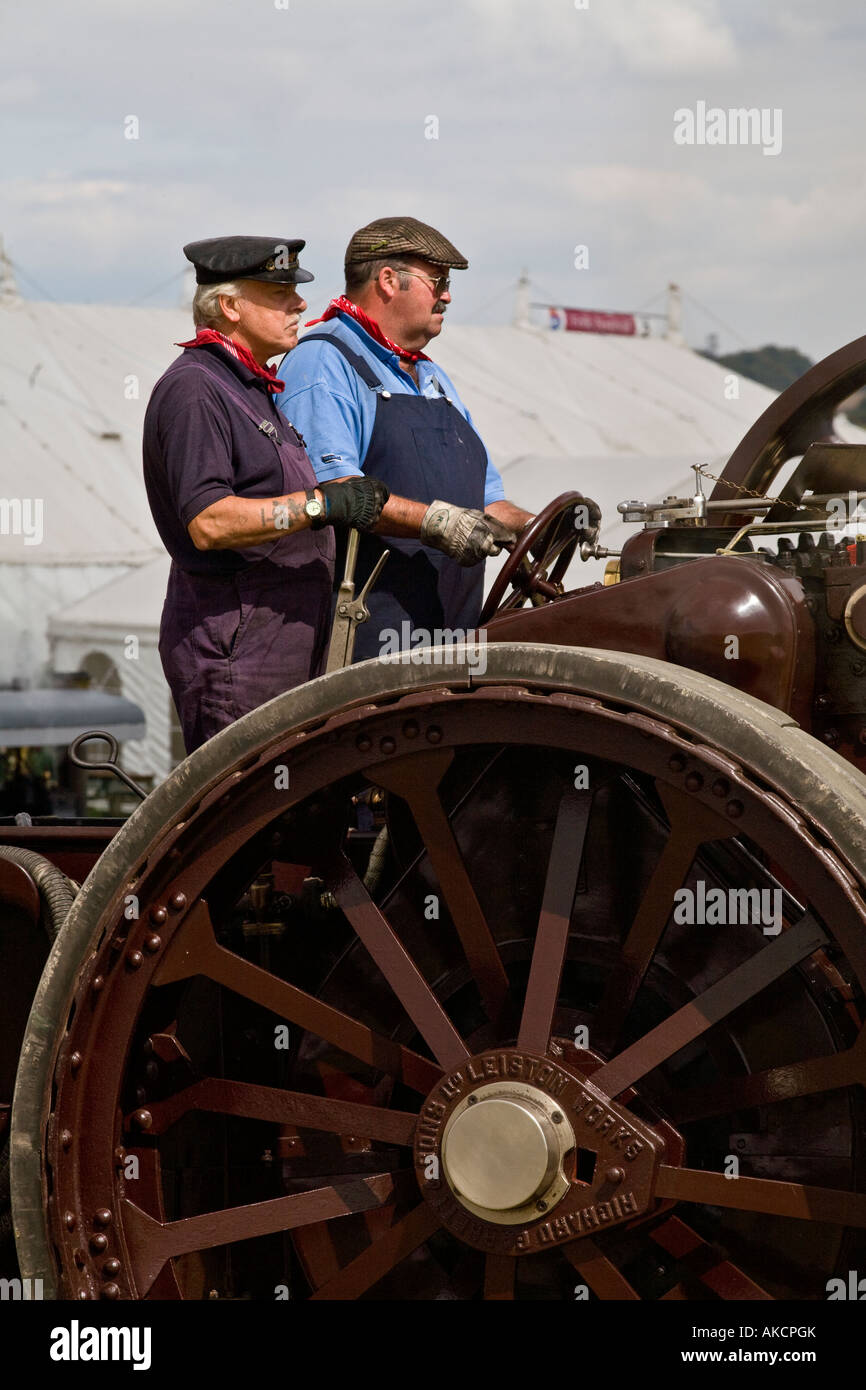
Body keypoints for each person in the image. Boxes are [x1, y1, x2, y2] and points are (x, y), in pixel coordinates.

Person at [143, 235, 388, 754]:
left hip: (273, 649)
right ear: (230, 306)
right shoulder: (196, 388)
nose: (300, 303)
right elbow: (209, 522)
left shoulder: (251, 387)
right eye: (279, 293)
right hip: (238, 656)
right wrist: (320, 506)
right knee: (254, 822)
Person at [275, 216, 534, 660]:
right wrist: (437, 522)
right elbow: (335, 493)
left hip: (453, 639)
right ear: (389, 281)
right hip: (366, 643)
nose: (447, 296)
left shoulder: (432, 376)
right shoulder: (324, 361)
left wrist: (539, 527)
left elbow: (487, 504)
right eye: (438, 281)